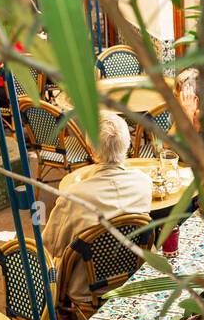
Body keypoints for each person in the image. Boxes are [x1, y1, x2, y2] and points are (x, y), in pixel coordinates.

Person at [43, 111, 153, 307]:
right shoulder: (144, 183)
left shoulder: (73, 196)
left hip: (86, 289)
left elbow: (52, 246)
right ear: (127, 146)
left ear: (91, 150)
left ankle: (64, 315)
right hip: (133, 278)